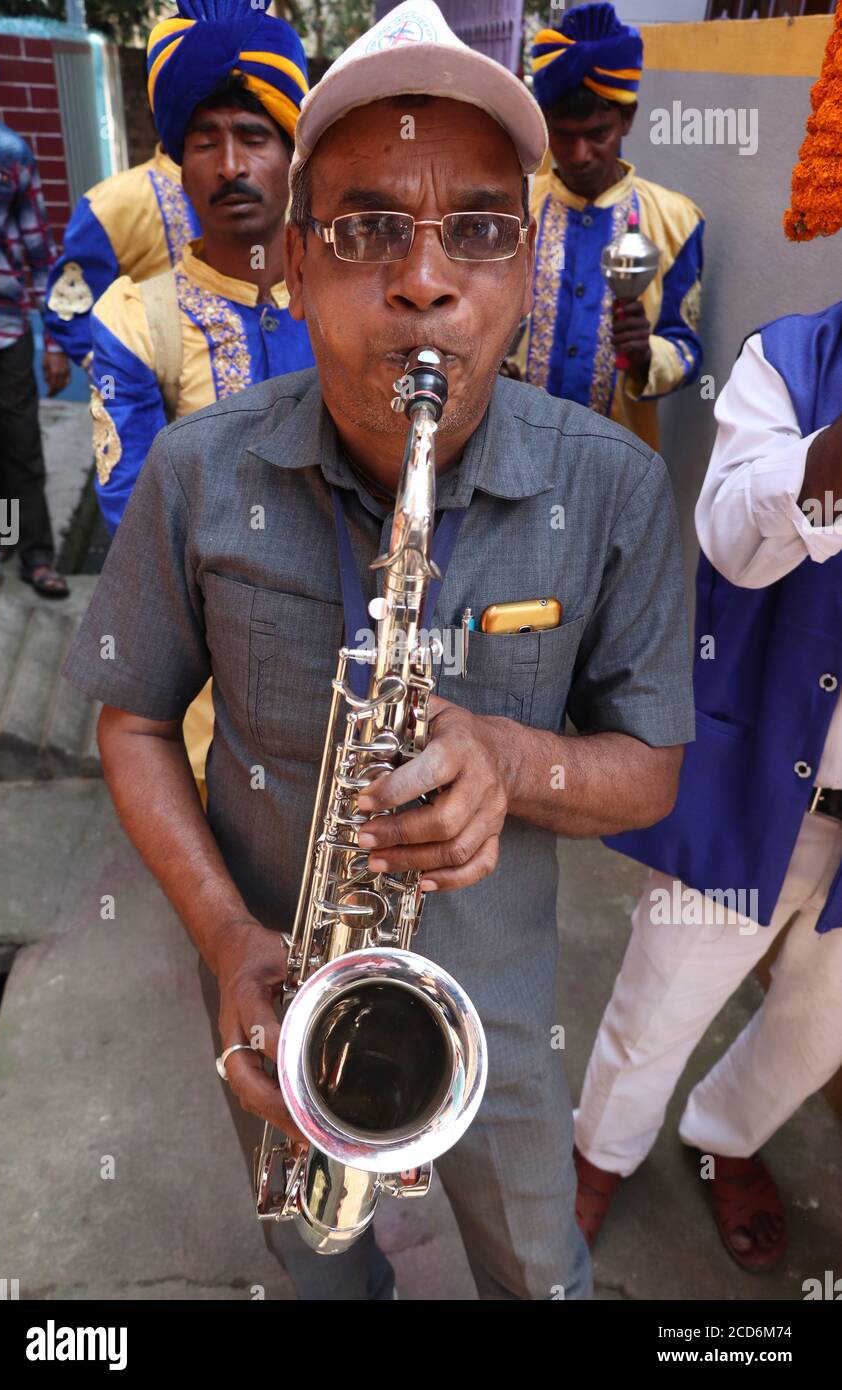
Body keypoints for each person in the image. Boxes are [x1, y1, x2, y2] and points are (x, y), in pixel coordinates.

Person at [61, 0, 694, 1301]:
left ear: (523, 271)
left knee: (537, 1265)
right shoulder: (194, 470)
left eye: (476, 229)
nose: (423, 278)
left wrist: (511, 757)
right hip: (271, 992)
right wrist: (228, 935)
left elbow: (650, 770)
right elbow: (130, 721)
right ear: (294, 263)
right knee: (319, 1257)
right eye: (363, 231)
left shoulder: (617, 487)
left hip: (499, 1022)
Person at [572, 10, 842, 1273]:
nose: (591, 139)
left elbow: (660, 341)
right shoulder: (790, 366)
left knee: (814, 1027)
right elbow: (735, 538)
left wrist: (647, 347)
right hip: (754, 770)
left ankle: (726, 1135)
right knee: (659, 998)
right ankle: (596, 1154)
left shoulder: (663, 221)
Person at [87, 0, 312, 803]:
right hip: (210, 682)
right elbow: (137, 522)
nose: (229, 164)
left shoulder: (356, 297)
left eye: (255, 136)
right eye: (203, 140)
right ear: (177, 162)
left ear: (294, 155)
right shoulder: (133, 321)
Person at [509, 3, 704, 453]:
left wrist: (645, 355)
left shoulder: (678, 222)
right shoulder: (514, 204)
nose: (578, 154)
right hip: (510, 447)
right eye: (562, 135)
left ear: (628, 119)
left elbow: (688, 350)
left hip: (614, 461)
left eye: (597, 133)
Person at [0, 69, 70, 597]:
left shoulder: (9, 151)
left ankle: (36, 556)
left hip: (4, 326)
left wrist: (54, 341)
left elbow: (39, 254)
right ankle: (1, 534)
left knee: (19, 441)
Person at [44, 146, 200, 369]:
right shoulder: (113, 201)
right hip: (151, 383)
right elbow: (69, 306)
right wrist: (113, 377)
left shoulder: (253, 193)